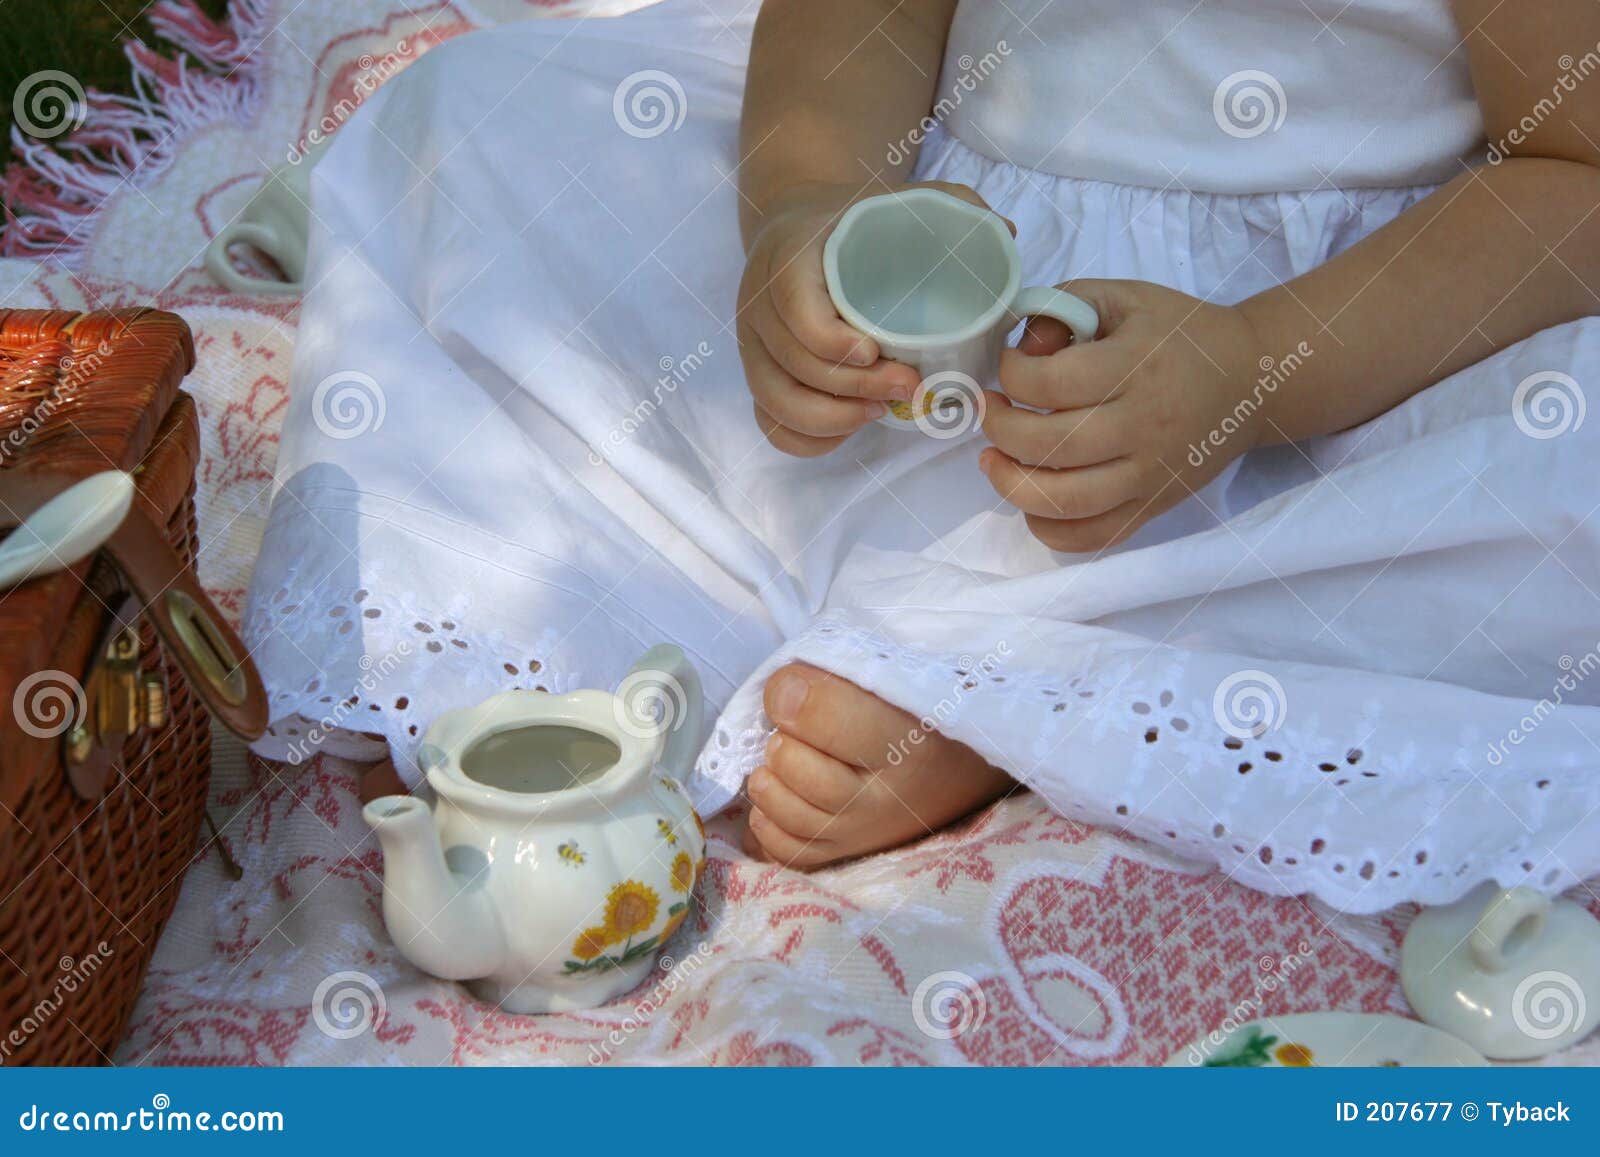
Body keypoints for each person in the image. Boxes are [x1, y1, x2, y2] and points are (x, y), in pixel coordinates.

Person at [247, 1, 1600, 907]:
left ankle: (1020, 687)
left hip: (1347, 336)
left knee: (1556, 478)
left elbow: (1574, 174)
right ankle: (973, 643)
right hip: (956, 255)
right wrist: (809, 207)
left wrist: (1260, 375)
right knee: (471, 118)